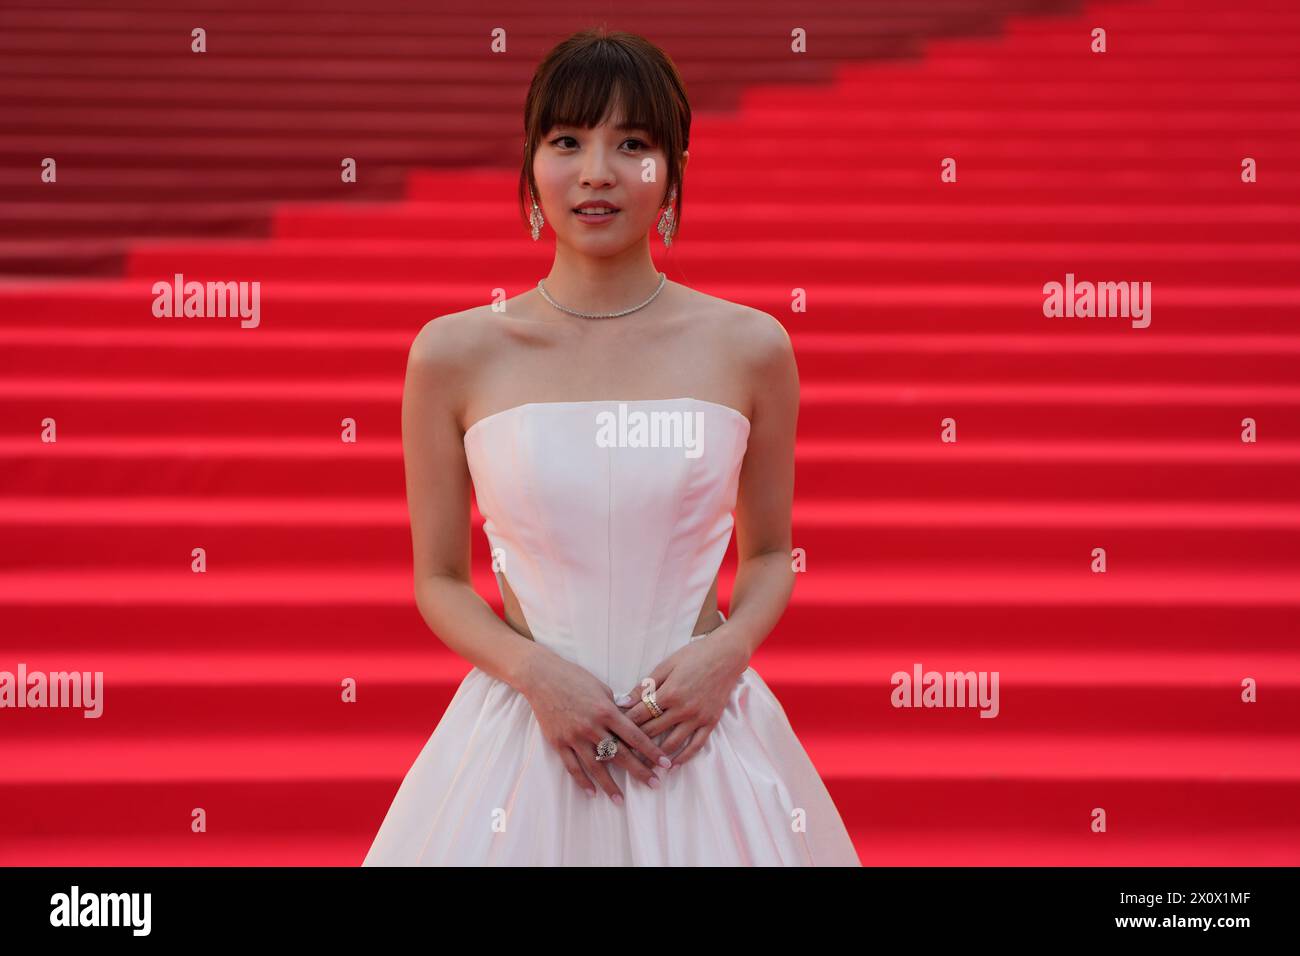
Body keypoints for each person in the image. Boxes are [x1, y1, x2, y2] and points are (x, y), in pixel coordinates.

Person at [362, 27, 860, 866]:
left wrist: (725, 656)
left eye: (633, 144)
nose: (598, 171)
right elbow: (439, 579)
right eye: (568, 142)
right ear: (530, 171)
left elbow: (772, 553)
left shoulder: (750, 346)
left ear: (673, 175)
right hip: (526, 743)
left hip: (698, 740)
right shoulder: (453, 354)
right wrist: (536, 676)